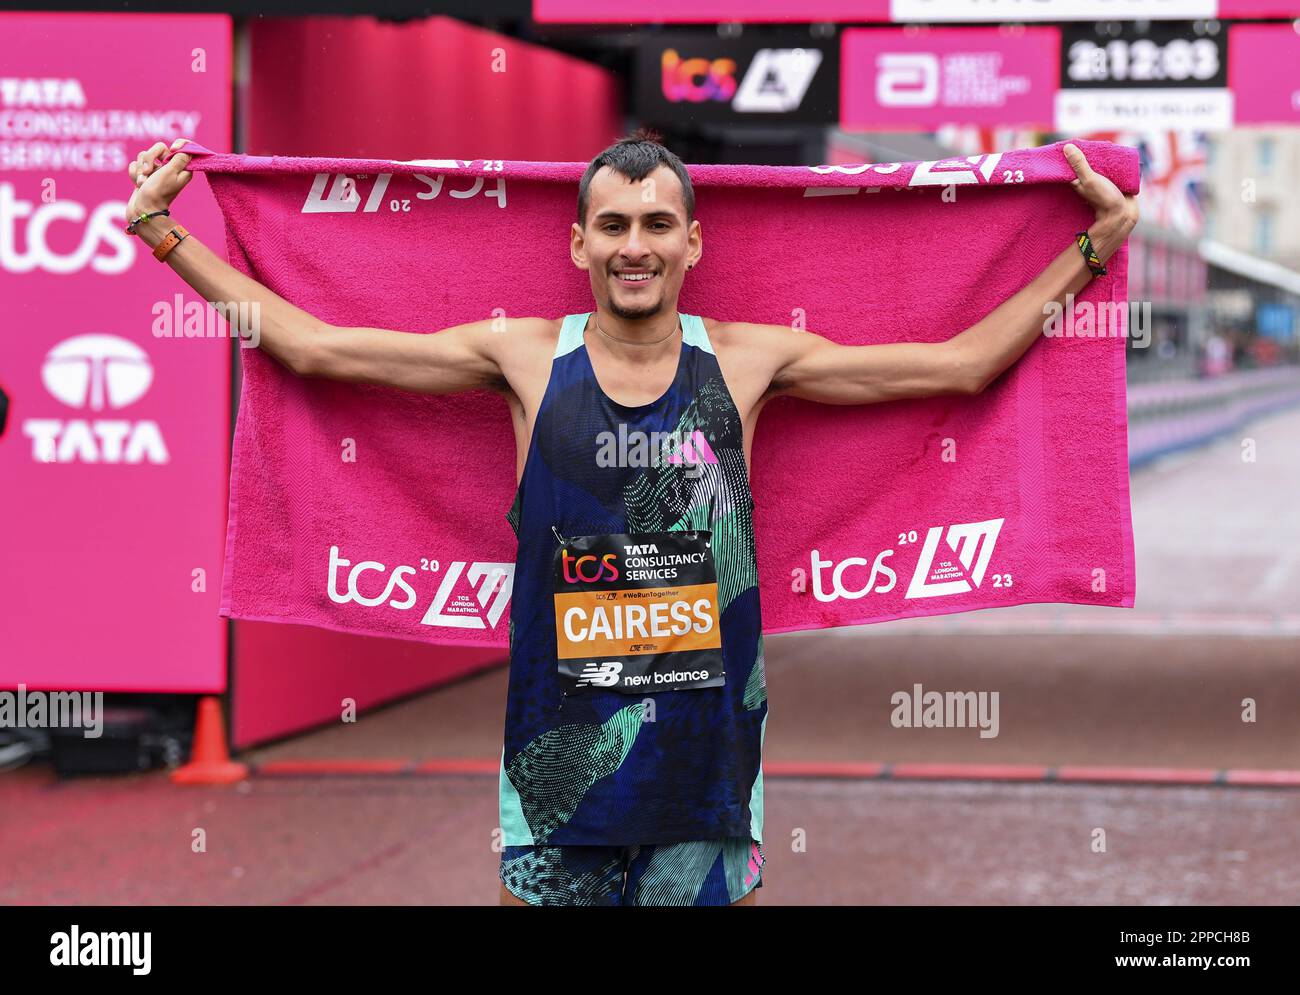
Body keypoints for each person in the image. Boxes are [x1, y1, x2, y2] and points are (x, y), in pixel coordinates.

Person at [125, 128, 1138, 906]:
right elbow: (311, 348)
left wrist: (1092, 247)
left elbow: (960, 364)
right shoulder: (525, 356)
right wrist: (166, 235)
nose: (635, 245)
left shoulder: (748, 359)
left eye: (657, 223)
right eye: (612, 225)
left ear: (693, 240)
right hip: (557, 767)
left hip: (706, 762)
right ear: (578, 242)